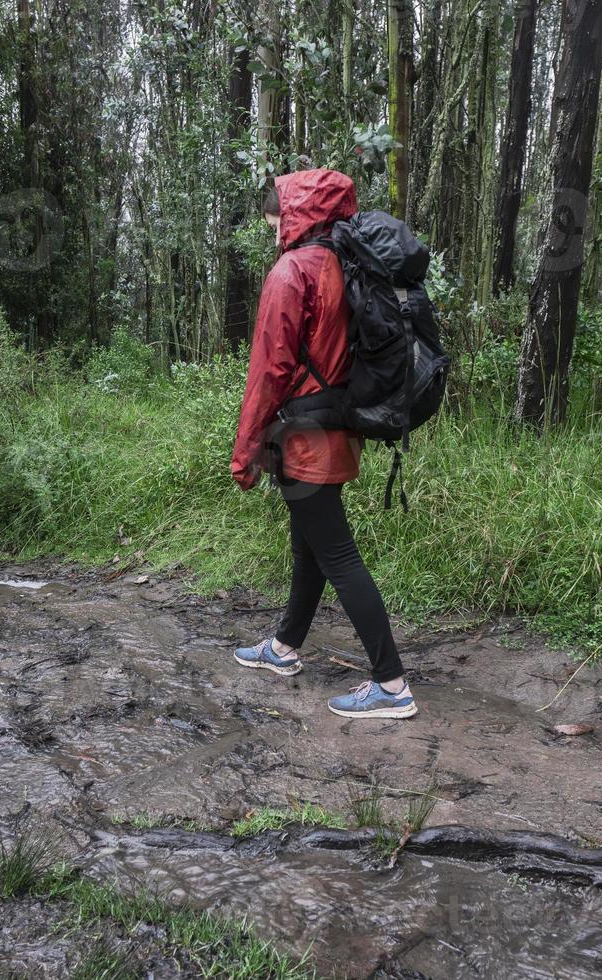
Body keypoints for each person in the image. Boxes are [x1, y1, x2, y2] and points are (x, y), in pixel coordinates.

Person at [228, 168, 416, 721]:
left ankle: (391, 683)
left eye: (274, 224)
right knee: (309, 544)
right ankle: (284, 647)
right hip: (338, 426)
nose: (274, 235)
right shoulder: (346, 265)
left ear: (291, 217)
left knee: (337, 555)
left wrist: (245, 453)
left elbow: (269, 370)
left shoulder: (292, 272)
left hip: (302, 437)